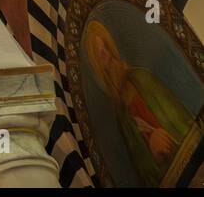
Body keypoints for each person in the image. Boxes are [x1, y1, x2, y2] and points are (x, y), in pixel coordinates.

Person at [84, 19, 196, 184]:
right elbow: (142, 164)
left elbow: (179, 118)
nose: (108, 57)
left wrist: (166, 136)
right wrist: (154, 153)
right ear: (98, 66)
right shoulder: (122, 115)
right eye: (101, 54)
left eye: (107, 48)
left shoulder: (142, 79)